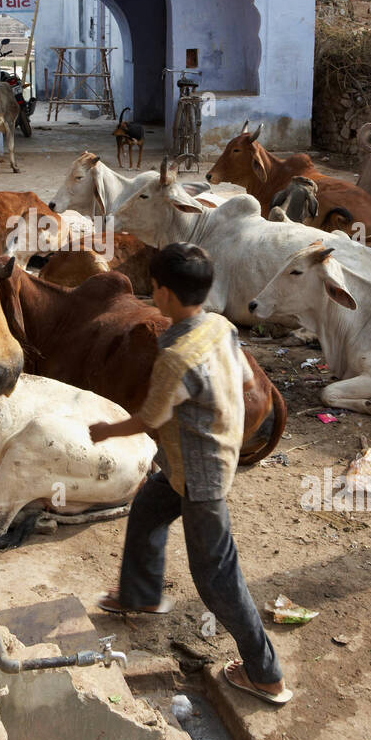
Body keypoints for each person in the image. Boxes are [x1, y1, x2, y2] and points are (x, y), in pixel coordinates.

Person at [89, 242, 292, 706]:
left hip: (202, 481)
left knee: (217, 578)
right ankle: (140, 594)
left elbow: (148, 419)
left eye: (152, 287)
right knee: (147, 507)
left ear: (161, 293)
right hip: (198, 461)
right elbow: (242, 380)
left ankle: (266, 674)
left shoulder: (175, 355)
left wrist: (104, 431)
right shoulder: (220, 326)